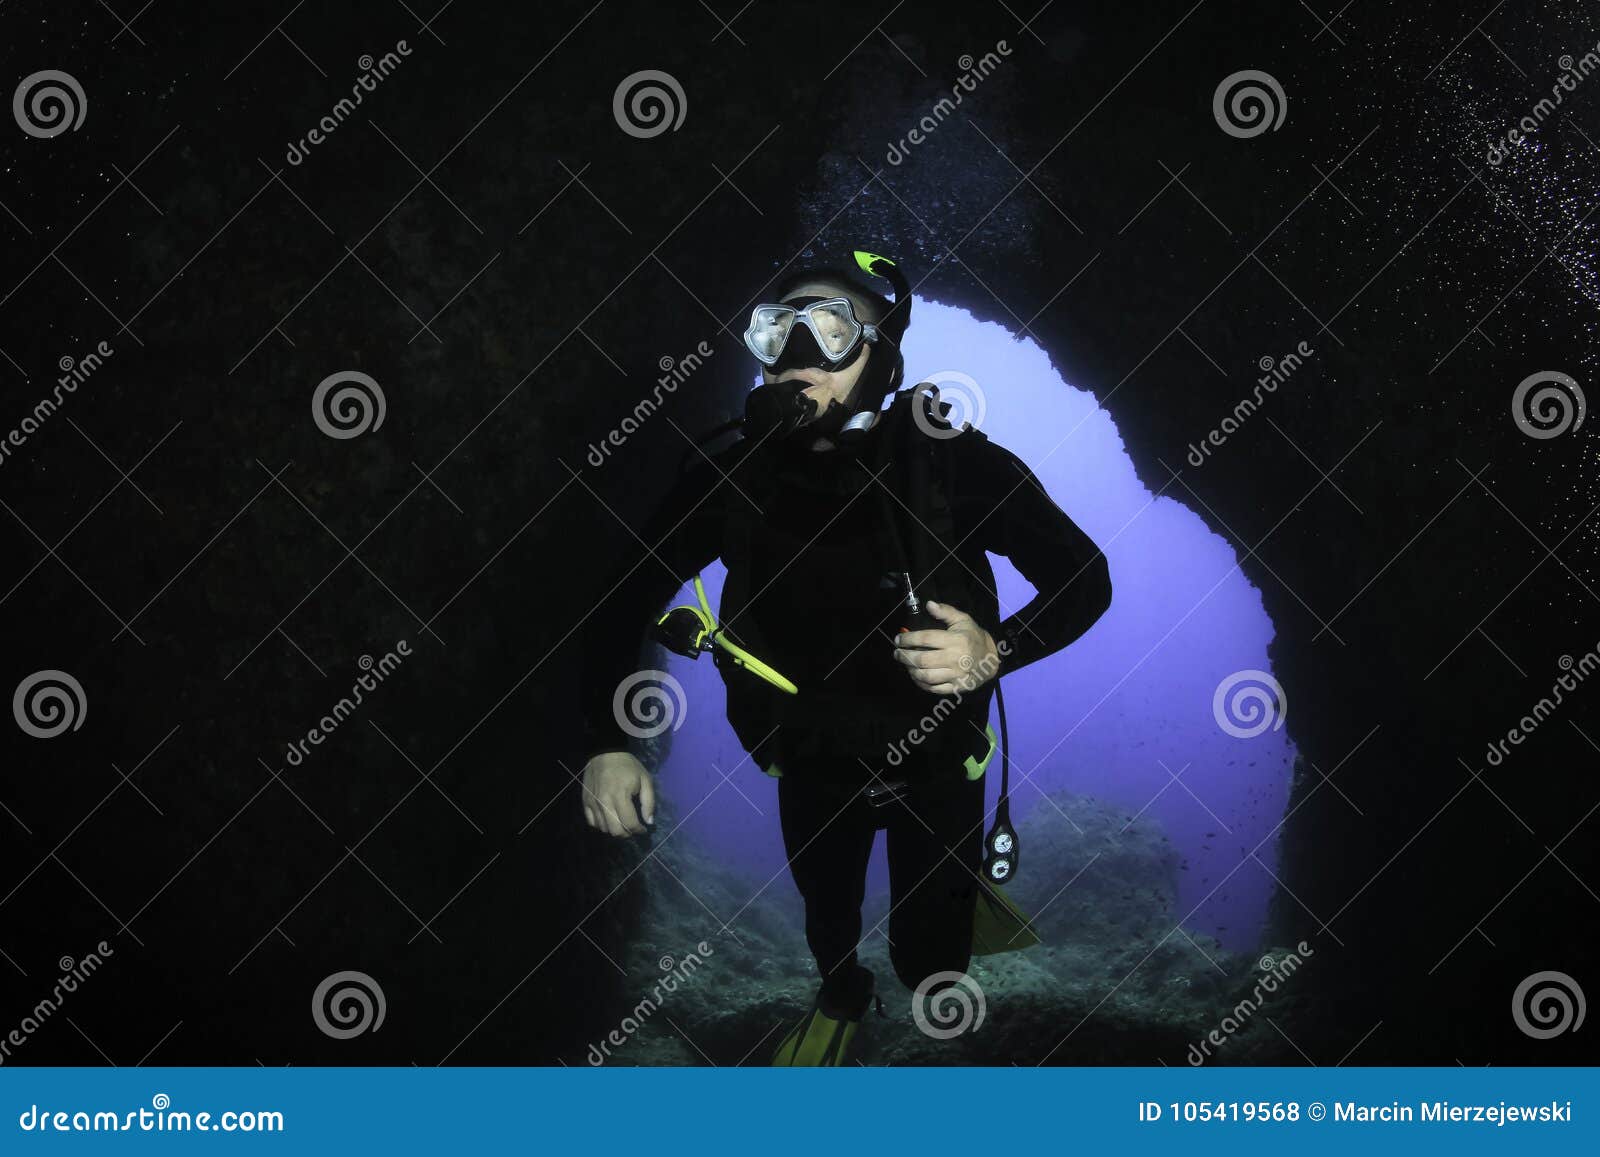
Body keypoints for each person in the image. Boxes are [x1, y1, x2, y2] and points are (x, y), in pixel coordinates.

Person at [576, 251, 1112, 1065]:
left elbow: (1084, 577)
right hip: (809, 764)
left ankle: (936, 944)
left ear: (881, 359)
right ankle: (840, 992)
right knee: (828, 925)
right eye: (774, 331)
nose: (797, 353)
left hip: (937, 764)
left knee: (931, 962)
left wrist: (995, 649)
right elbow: (622, 594)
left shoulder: (952, 466)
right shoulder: (729, 480)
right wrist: (607, 742)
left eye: (829, 330)